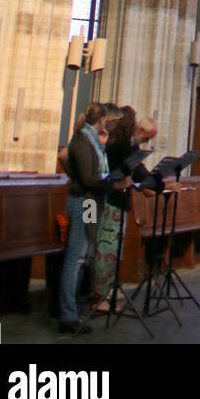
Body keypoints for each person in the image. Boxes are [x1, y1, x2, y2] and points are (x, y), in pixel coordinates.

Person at [58, 104, 118, 334]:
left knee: (86, 254)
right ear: (101, 119)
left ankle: (76, 307)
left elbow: (97, 170)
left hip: (91, 202)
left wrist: (104, 151)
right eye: (106, 120)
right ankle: (67, 314)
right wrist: (113, 181)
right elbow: (87, 178)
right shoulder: (82, 140)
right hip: (83, 200)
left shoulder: (93, 141)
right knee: (75, 257)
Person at [92, 109, 158, 313]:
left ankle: (109, 289)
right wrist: (146, 183)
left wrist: (155, 183)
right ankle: (99, 295)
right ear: (138, 129)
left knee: (115, 250)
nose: (145, 142)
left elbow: (136, 170)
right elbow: (128, 170)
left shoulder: (129, 145)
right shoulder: (119, 145)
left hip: (120, 202)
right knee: (106, 250)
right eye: (147, 137)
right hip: (111, 201)